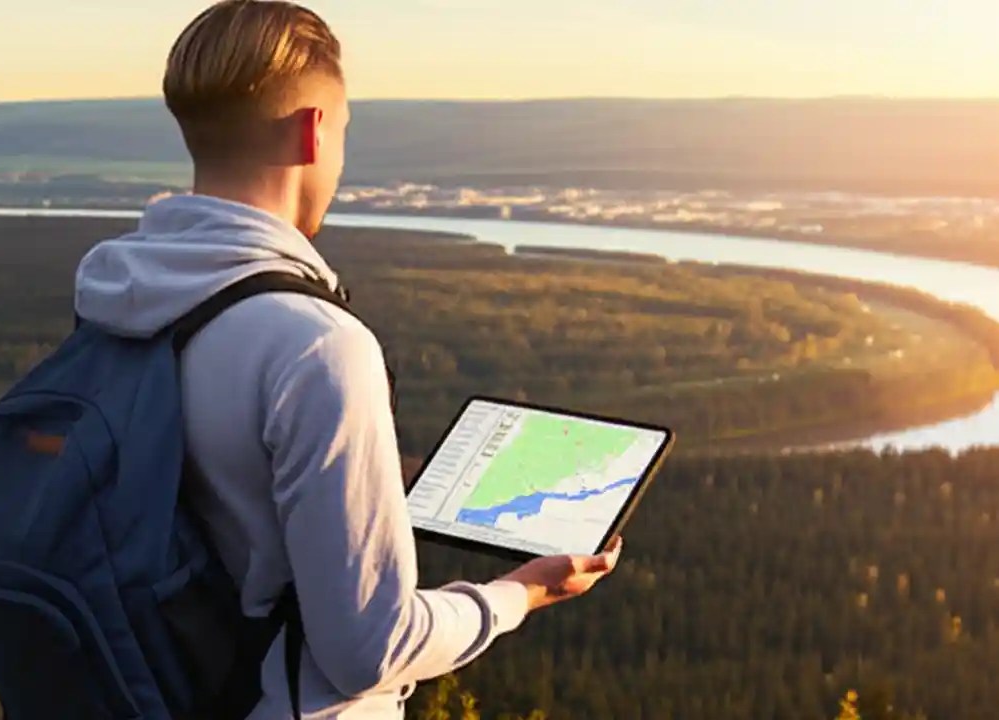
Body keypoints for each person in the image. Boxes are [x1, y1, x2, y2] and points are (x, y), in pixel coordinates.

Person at [72, 1, 622, 718]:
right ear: (312, 130)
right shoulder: (315, 347)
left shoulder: (116, 302)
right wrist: (520, 594)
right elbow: (369, 649)